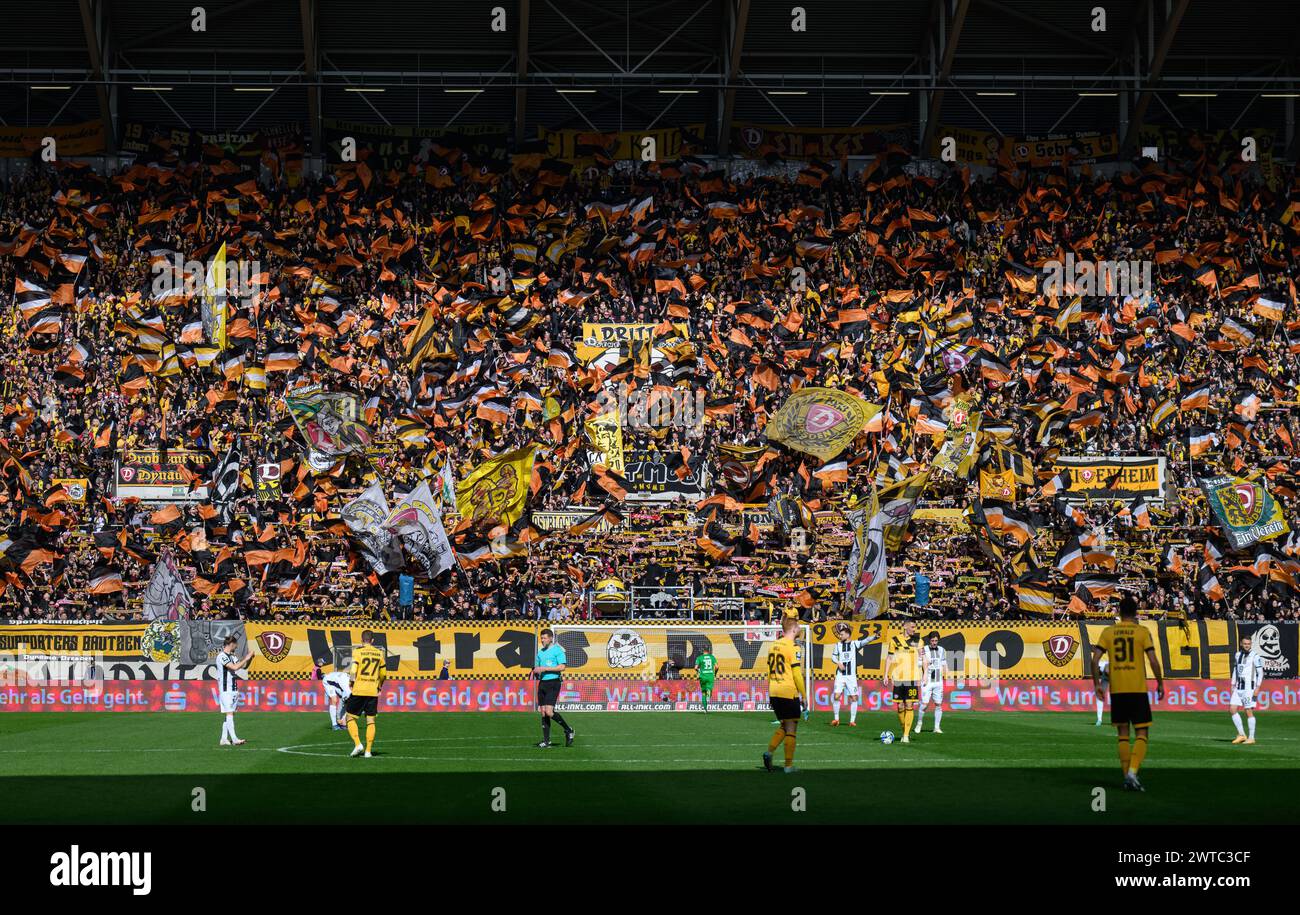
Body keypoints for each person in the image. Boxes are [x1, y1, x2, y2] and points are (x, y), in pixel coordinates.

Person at [1092, 595, 1164, 792]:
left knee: (1122, 735)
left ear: (1119, 612)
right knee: (1142, 733)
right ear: (1136, 612)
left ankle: (1127, 777)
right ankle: (1132, 772)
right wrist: (1160, 683)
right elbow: (1154, 660)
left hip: (1118, 691)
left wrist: (1097, 684)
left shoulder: (1108, 632)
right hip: (1137, 690)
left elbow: (1095, 659)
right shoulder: (1142, 632)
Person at [762, 615, 807, 773]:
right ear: (793, 629)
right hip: (788, 691)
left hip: (774, 691)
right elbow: (796, 674)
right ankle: (788, 766)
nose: (800, 628)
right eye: (799, 626)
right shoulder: (793, 647)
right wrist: (804, 695)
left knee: (784, 724)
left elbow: (768, 671)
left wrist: (769, 692)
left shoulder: (773, 645)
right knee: (792, 727)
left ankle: (769, 752)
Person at [344, 631, 386, 758]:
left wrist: (351, 682)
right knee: (371, 721)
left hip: (359, 689)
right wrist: (379, 685)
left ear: (362, 640)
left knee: (350, 718)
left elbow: (353, 670)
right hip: (372, 691)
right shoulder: (379, 653)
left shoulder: (358, 652)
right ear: (372, 641)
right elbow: (383, 674)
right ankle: (368, 751)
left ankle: (358, 744)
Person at [828, 621, 876, 727]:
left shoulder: (854, 644)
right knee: (836, 696)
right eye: (840, 634)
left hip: (851, 676)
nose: (840, 636)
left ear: (848, 635)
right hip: (840, 675)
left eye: (842, 634)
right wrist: (838, 663)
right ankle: (836, 719)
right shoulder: (838, 645)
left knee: (854, 698)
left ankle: (852, 721)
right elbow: (833, 656)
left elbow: (865, 641)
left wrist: (874, 637)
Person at [533, 627, 575, 747]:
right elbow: (538, 668)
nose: (542, 640)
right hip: (542, 683)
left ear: (551, 638)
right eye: (541, 638)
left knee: (549, 712)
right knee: (543, 712)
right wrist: (536, 671)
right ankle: (546, 741)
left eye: (545, 638)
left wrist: (545, 668)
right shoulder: (540, 653)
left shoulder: (558, 650)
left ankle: (568, 730)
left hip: (553, 682)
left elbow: (562, 667)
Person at [883, 620, 920, 744]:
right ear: (905, 626)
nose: (914, 629)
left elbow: (923, 657)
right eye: (912, 627)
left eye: (915, 627)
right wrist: (885, 674)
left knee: (909, 705)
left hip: (912, 677)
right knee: (900, 706)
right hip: (898, 678)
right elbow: (889, 658)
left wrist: (925, 674)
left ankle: (906, 735)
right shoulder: (894, 640)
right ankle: (905, 730)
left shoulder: (917, 640)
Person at [216, 635, 253, 747]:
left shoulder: (231, 656)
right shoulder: (222, 656)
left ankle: (223, 739)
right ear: (231, 644)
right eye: (236, 644)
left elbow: (243, 666)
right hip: (226, 689)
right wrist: (246, 657)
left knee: (228, 714)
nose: (236, 647)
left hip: (233, 688)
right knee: (230, 713)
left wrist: (250, 658)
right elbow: (234, 667)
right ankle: (235, 739)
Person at [1229, 635, 1264, 745]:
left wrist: (1258, 687)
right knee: (1232, 709)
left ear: (1251, 644)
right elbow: (1236, 670)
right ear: (1241, 644)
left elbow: (1260, 673)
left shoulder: (1255, 656)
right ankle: (1241, 735)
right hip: (1238, 687)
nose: (1247, 646)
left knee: (1248, 711)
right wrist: (1232, 683)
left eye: (1248, 644)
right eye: (1245, 644)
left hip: (1249, 688)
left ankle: (1252, 737)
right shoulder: (1238, 655)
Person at [915, 630, 947, 735]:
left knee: (938, 704)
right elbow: (919, 663)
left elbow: (943, 662)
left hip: (938, 681)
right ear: (929, 640)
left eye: (936, 641)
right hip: (927, 681)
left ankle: (937, 727)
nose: (934, 642)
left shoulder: (942, 650)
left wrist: (946, 673)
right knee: (924, 704)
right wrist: (925, 663)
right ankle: (919, 723)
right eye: (932, 640)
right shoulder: (924, 650)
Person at [315, 656, 351, 730]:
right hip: (328, 681)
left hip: (336, 682)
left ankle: (343, 724)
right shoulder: (346, 686)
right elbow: (344, 702)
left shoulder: (349, 683)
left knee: (347, 703)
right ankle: (334, 724)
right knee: (334, 700)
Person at [694, 646, 718, 712]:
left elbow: (695, 667)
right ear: (709, 650)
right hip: (710, 676)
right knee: (709, 689)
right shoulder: (712, 657)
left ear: (703, 650)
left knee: (703, 693)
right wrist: (715, 674)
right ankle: (709, 694)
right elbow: (717, 667)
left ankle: (705, 709)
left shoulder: (699, 658)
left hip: (702, 676)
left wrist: (699, 672)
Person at [1094, 656, 1109, 726]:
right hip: (1105, 678)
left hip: (1116, 677)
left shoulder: (1106, 667)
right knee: (1099, 696)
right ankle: (1099, 720)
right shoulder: (1100, 666)